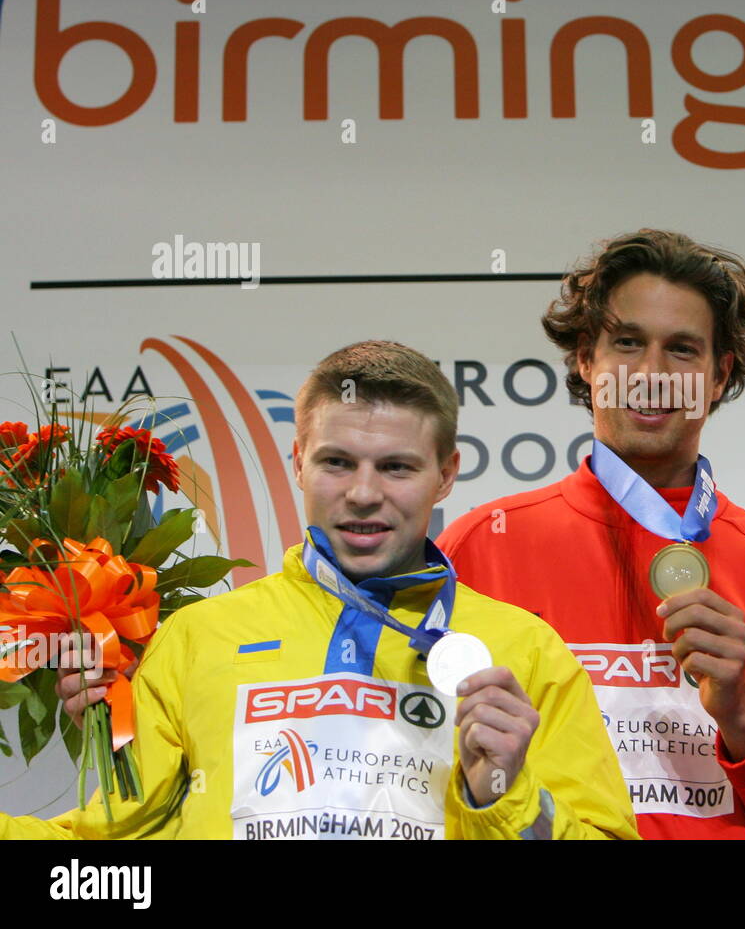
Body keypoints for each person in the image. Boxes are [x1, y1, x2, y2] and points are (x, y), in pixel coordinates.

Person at [2, 341, 637, 840]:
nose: (363, 493)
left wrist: (504, 791)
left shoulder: (523, 652)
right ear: (297, 461)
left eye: (396, 466)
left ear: (446, 475)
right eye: (337, 462)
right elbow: (117, 850)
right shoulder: (197, 639)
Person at [438, 229, 745, 839]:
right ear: (587, 359)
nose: (651, 373)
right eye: (627, 343)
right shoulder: (480, 548)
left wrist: (743, 718)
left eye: (682, 350)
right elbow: (431, 784)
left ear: (720, 375)